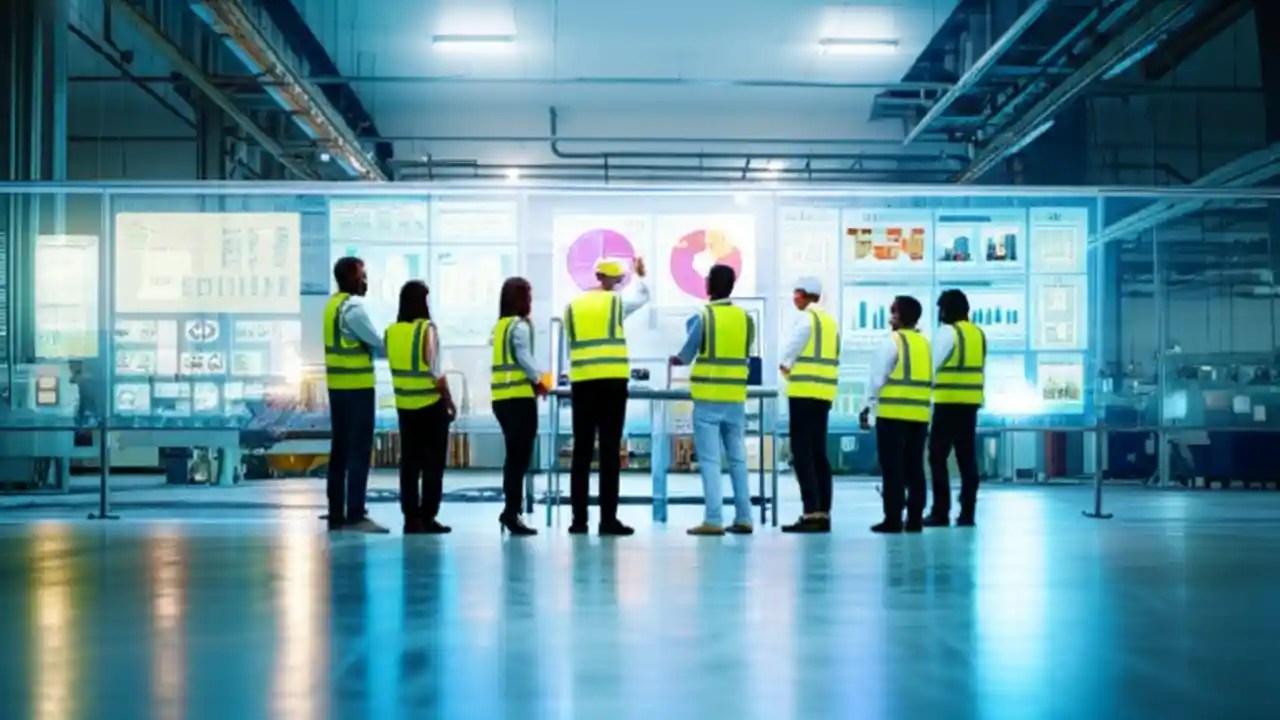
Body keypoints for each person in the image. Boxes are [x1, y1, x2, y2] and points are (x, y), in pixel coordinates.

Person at [563, 256, 650, 536]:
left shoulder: (572, 306)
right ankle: (607, 520)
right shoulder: (616, 303)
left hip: (583, 383)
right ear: (614, 280)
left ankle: (578, 520)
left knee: (582, 453)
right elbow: (643, 296)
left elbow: (570, 345)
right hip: (612, 384)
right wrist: (641, 275)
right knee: (610, 452)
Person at [668, 264, 755, 537]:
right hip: (736, 398)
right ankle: (744, 517)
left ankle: (714, 519)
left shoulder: (704, 317)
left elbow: (686, 355)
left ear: (708, 286)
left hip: (708, 399)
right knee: (738, 460)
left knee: (710, 460)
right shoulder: (745, 319)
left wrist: (676, 359)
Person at [385, 280, 457, 534]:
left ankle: (410, 518)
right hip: (430, 404)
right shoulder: (427, 329)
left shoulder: (391, 332)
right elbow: (435, 370)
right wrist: (448, 401)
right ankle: (428, 516)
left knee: (409, 463)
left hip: (405, 405)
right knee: (433, 464)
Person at [323, 257, 388, 533]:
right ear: (349, 277)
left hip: (338, 388)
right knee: (359, 451)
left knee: (339, 450)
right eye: (362, 275)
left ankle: (336, 511)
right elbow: (378, 344)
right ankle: (356, 514)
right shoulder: (352, 309)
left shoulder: (332, 306)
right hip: (357, 389)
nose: (365, 280)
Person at [860, 296, 931, 534]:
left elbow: (877, 379)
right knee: (915, 469)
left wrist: (867, 407)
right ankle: (915, 519)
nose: (890, 316)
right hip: (919, 416)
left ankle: (892, 518)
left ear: (899, 316)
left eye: (893, 311)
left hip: (892, 415)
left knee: (892, 469)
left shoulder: (892, 342)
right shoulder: (924, 344)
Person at [779, 277, 840, 534]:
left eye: (796, 293)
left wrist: (785, 366)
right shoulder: (829, 322)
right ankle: (823, 511)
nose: (794, 298)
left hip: (803, 393)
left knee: (802, 454)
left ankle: (810, 511)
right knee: (818, 454)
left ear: (804, 295)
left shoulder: (806, 319)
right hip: (824, 393)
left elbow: (789, 352)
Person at [491, 277, 549, 536]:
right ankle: (511, 512)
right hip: (519, 399)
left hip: (501, 400)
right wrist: (541, 380)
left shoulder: (500, 325)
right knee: (519, 460)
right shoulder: (520, 326)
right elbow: (524, 357)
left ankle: (511, 510)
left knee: (512, 458)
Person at [926, 289, 986, 527]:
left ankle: (941, 511)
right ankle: (967, 512)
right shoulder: (978, 334)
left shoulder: (947, 333)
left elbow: (930, 366)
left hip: (947, 403)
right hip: (970, 405)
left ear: (946, 310)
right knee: (967, 459)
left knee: (937, 457)